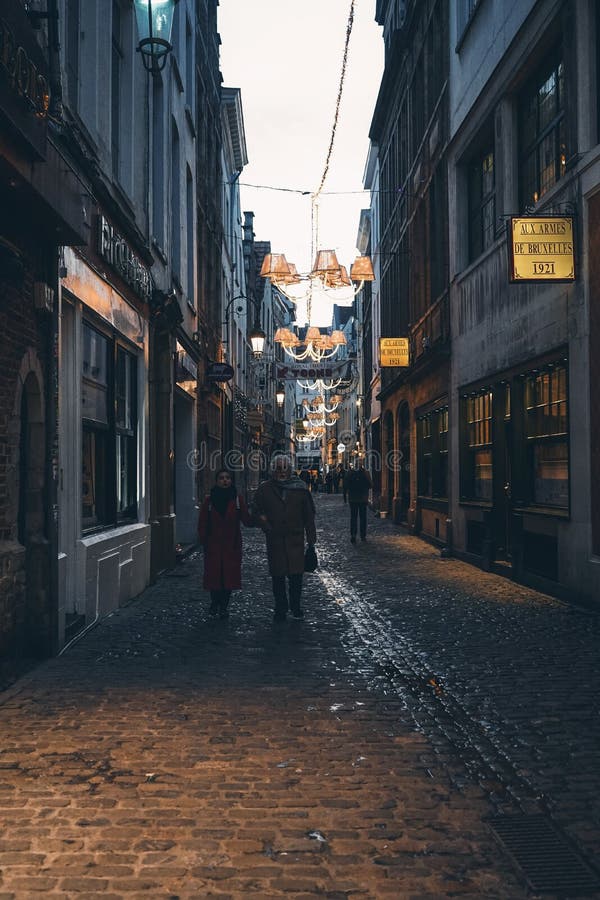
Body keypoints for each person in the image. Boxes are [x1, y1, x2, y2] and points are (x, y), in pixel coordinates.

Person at [253, 454, 317, 622]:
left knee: (296, 577)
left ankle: (296, 607)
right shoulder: (265, 489)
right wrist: (266, 526)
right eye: (278, 468)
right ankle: (280, 608)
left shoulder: (300, 489)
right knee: (278, 577)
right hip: (275, 540)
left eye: (284, 468)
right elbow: (257, 510)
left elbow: (309, 516)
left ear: (290, 470)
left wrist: (311, 541)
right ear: (273, 470)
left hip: (295, 540)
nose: (281, 472)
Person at [197, 468, 253, 619]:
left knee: (228, 577)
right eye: (221, 478)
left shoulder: (236, 499)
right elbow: (202, 521)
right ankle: (214, 603)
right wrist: (204, 539)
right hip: (213, 544)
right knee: (214, 576)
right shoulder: (209, 500)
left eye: (227, 478)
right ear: (216, 481)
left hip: (231, 544)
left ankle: (224, 606)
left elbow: (246, 519)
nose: (225, 480)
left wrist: (262, 520)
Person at [344, 462, 373, 543]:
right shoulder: (366, 472)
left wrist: (346, 496)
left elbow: (345, 485)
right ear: (361, 466)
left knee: (353, 517)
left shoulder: (349, 473)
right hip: (363, 499)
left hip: (352, 499)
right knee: (363, 517)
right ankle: (363, 535)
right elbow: (371, 485)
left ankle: (353, 534)